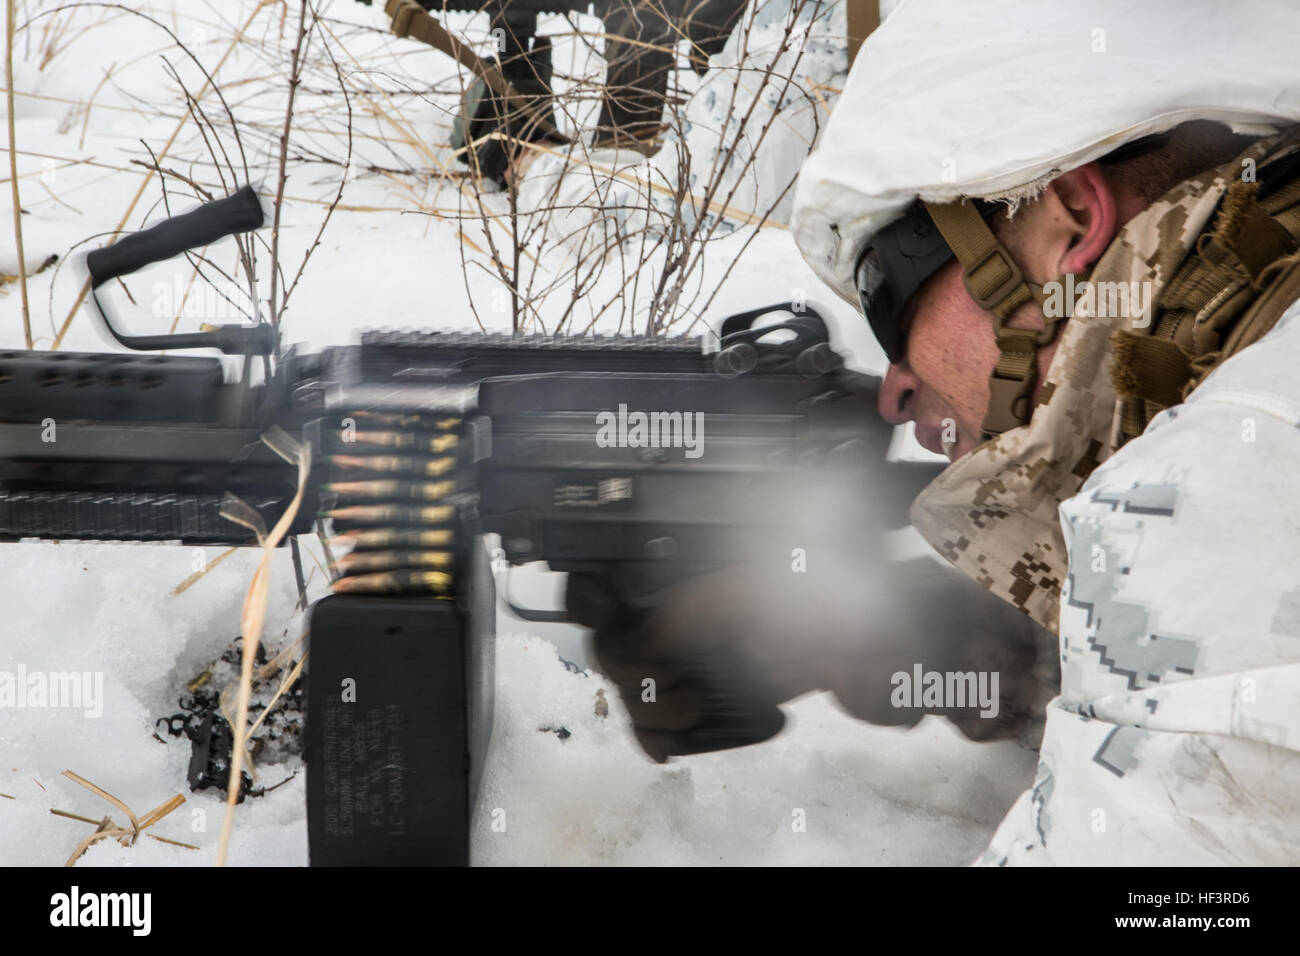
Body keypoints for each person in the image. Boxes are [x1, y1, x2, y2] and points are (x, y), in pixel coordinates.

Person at [580, 0, 1300, 864]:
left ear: (1068, 217)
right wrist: (999, 647)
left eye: (891, 289)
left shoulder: (1223, 483)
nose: (895, 386)